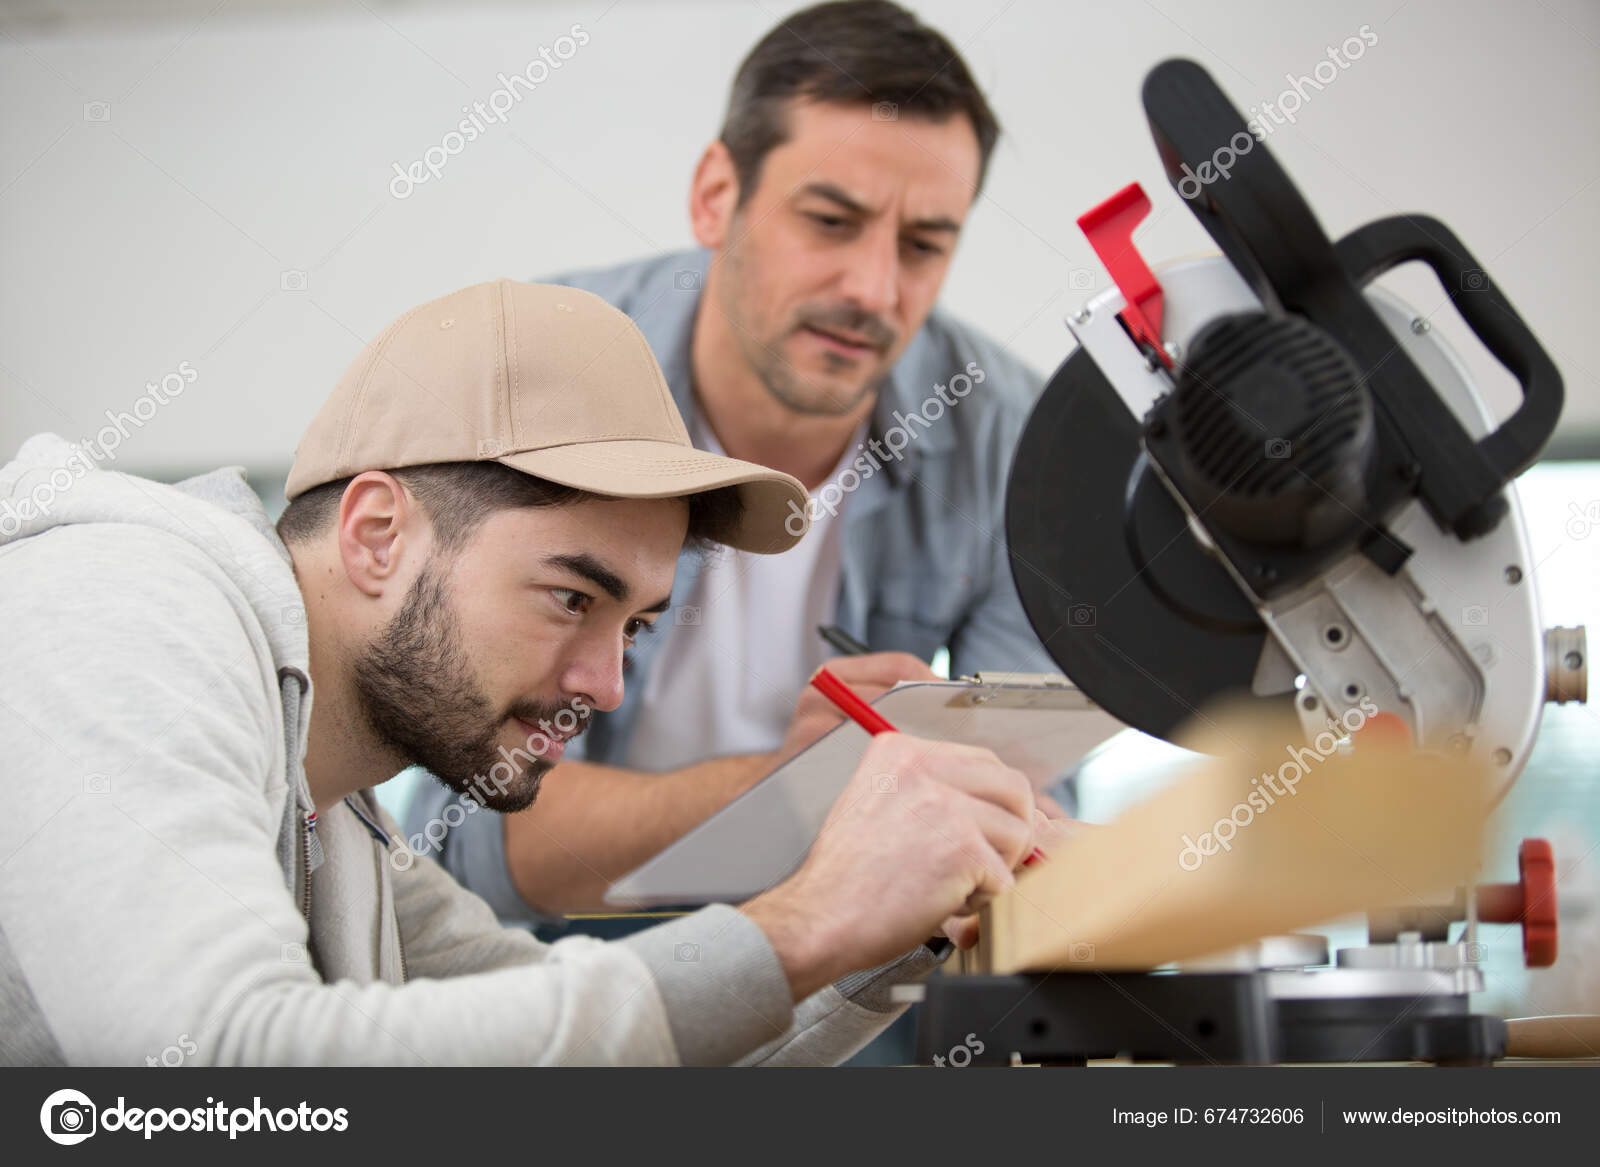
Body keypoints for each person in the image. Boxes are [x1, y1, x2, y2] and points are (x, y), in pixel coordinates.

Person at [0, 279, 1058, 1065]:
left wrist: (892, 936)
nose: (607, 687)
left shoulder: (342, 811)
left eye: (635, 627)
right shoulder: (116, 598)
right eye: (570, 598)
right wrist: (803, 920)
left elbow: (604, 1051)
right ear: (376, 535)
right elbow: (213, 1061)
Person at [408, 0, 1063, 945]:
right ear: (717, 194)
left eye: (924, 245)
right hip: (557, 959)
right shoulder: (545, 376)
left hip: (864, 969)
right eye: (831, 220)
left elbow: (1023, 801)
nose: (874, 290)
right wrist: (791, 798)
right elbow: (478, 830)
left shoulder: (1012, 437)